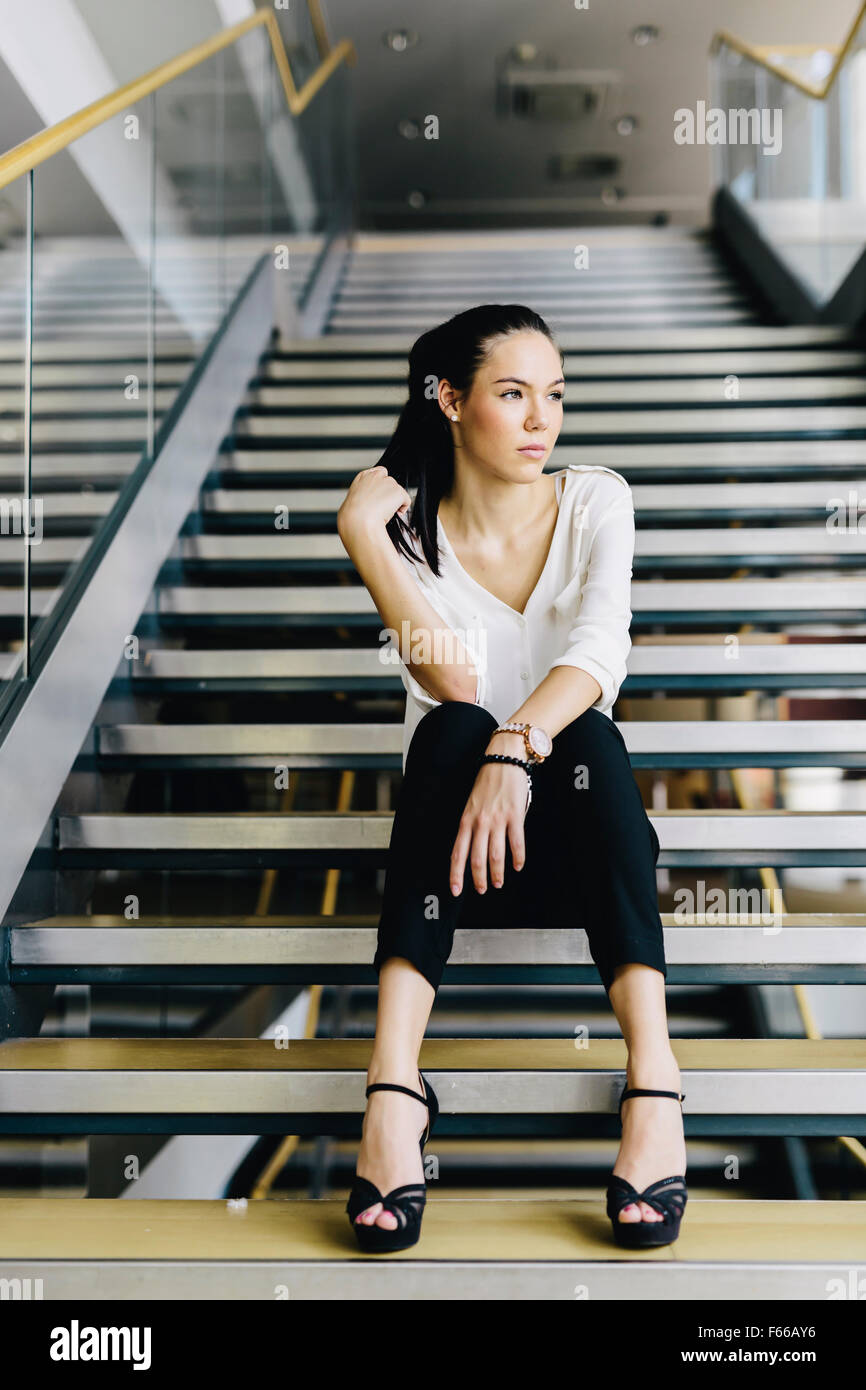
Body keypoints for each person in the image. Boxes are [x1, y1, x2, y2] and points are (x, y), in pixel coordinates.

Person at [337, 304, 686, 1254]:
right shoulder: (411, 534)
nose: (542, 420)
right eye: (513, 394)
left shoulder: (596, 501)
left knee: (592, 743)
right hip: (456, 860)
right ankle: (394, 1086)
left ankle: (654, 1080)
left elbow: (598, 654)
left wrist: (514, 750)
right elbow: (451, 681)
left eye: (555, 395)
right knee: (451, 729)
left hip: (581, 851)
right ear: (450, 401)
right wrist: (364, 535)